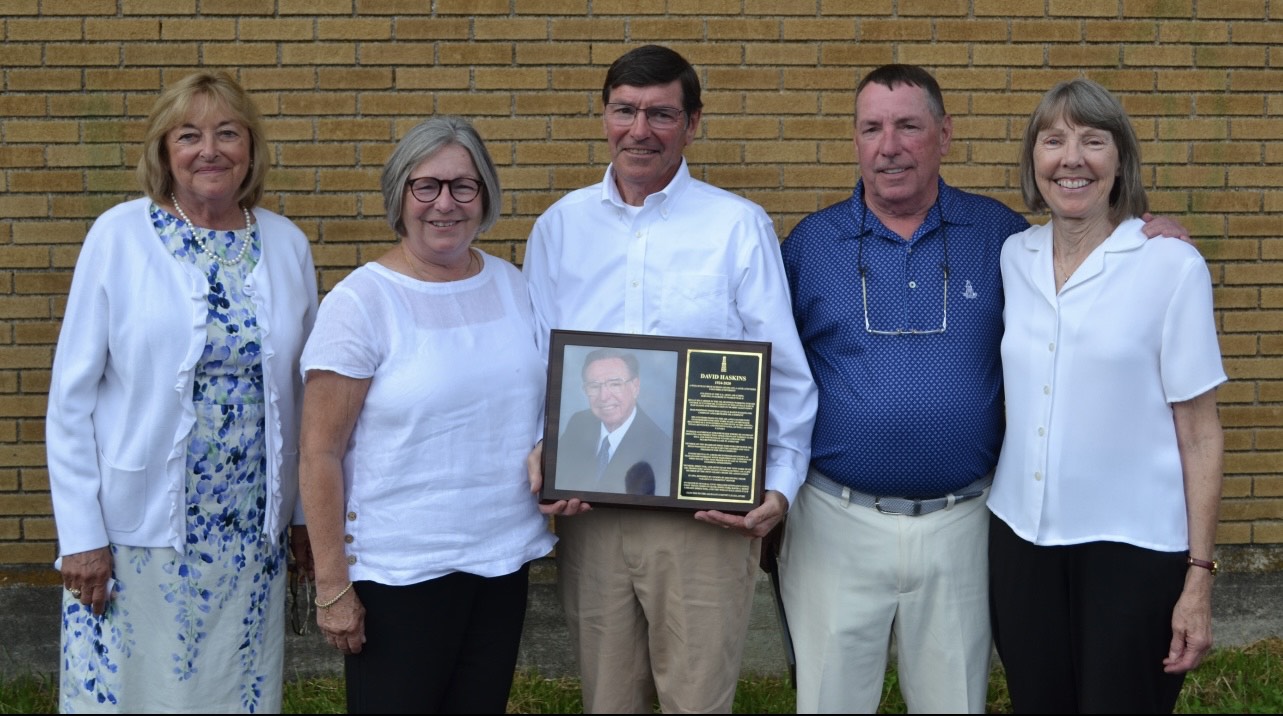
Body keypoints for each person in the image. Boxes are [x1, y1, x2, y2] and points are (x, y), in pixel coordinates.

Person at [778, 64, 1190, 714]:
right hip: (835, 521)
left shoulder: (999, 239)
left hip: (962, 526)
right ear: (854, 140)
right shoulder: (809, 246)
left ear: (943, 135)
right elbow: (774, 379)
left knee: (953, 703)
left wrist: (1142, 227)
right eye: (871, 129)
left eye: (908, 127)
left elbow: (1081, 247)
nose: (889, 146)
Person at [524, 44, 817, 713]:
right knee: (607, 698)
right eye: (624, 110)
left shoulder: (735, 227)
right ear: (603, 116)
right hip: (592, 511)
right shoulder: (559, 229)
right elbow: (534, 362)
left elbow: (787, 373)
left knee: (697, 699)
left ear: (692, 123)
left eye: (660, 114)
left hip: (705, 515)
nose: (639, 129)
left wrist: (778, 484)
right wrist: (540, 451)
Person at [46, 70, 317, 713]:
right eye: (189, 135)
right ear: (164, 151)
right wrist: (80, 533)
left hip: (250, 535)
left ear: (250, 148)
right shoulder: (118, 237)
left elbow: (305, 398)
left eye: (228, 132)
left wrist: (304, 517)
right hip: (134, 533)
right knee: (131, 692)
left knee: (233, 688)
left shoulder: (285, 245)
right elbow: (71, 399)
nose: (210, 149)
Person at [298, 116, 556, 714]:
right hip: (400, 574)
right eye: (427, 186)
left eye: (463, 186)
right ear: (400, 195)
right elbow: (319, 453)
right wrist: (333, 585)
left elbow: (535, 402)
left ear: (484, 195)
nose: (445, 203)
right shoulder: (362, 303)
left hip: (500, 560)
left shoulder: (513, 287)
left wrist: (553, 449)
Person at [988, 78, 1225, 714]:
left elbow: (1200, 430)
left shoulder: (1169, 265)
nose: (1072, 159)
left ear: (1120, 160)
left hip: (1134, 551)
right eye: (1054, 140)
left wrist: (1198, 578)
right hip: (1022, 542)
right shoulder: (1014, 256)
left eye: (1093, 140)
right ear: (1032, 159)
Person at [555, 348, 672, 496]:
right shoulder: (578, 422)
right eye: (594, 386)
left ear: (635, 387)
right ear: (585, 390)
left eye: (615, 384)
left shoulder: (662, 449)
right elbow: (560, 478)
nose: (604, 397)